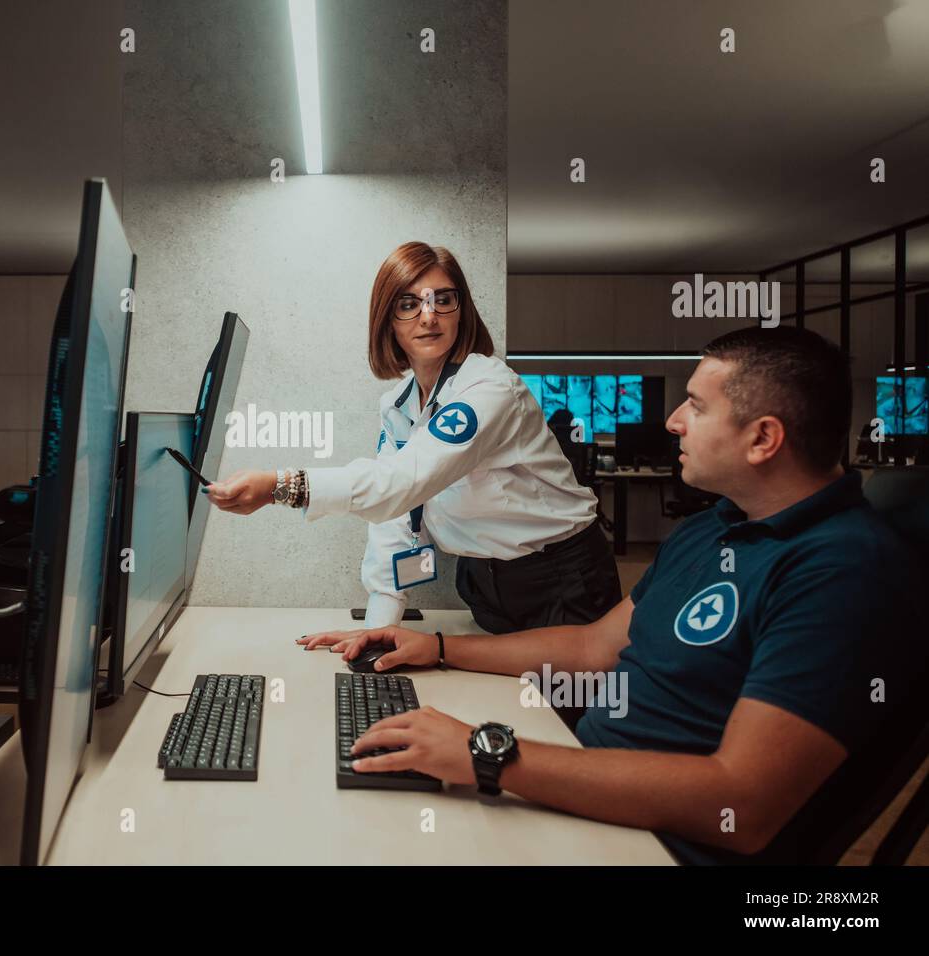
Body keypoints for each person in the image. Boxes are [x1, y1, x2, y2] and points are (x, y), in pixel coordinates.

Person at [303, 326, 927, 864]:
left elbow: (742, 802)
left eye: (696, 406)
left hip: (657, 845)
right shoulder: (717, 526)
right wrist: (436, 647)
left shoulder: (844, 571)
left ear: (763, 438)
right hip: (595, 798)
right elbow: (594, 645)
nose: (672, 421)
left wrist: (486, 753)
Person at [206, 241, 621, 643]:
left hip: (562, 580)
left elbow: (401, 483)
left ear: (462, 312)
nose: (429, 316)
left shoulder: (489, 388)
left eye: (443, 300)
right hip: (484, 583)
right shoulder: (398, 405)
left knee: (565, 711)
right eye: (409, 304)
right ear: (389, 320)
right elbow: (397, 518)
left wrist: (279, 486)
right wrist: (378, 627)